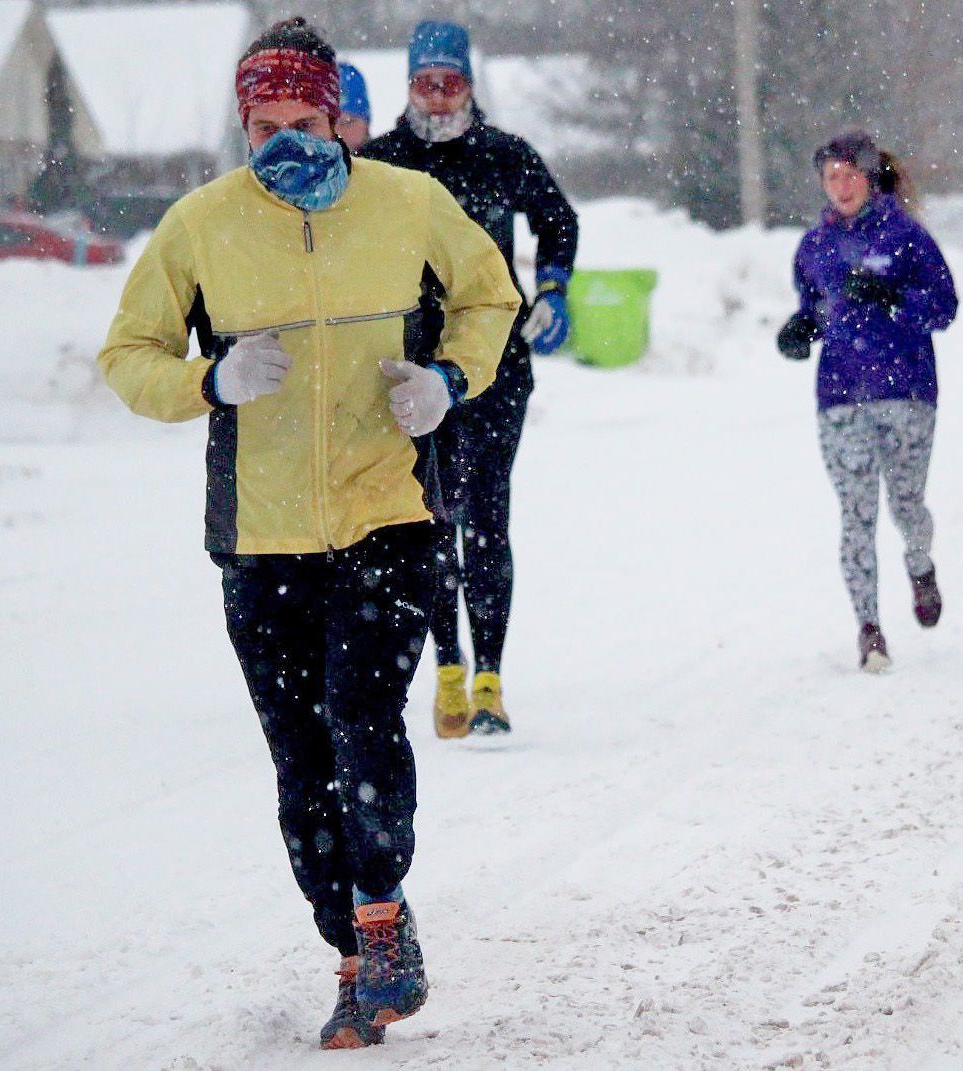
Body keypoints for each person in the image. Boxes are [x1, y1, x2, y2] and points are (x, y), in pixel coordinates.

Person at [95, 17, 520, 1049]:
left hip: (386, 514)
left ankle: (381, 916)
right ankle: (354, 950)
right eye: (265, 122)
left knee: (360, 722)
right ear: (245, 125)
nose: (286, 138)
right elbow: (127, 354)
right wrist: (210, 379)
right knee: (300, 760)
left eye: (304, 119)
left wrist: (448, 380)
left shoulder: (409, 203)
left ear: (340, 118)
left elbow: (489, 294)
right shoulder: (201, 225)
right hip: (261, 535)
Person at [362, 21, 578, 737]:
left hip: (494, 369)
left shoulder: (503, 155)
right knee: (429, 524)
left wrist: (552, 288)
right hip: (411, 369)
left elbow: (559, 219)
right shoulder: (384, 162)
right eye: (426, 81)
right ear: (409, 86)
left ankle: (490, 677)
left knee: (486, 520)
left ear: (470, 85)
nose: (438, 94)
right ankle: (446, 668)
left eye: (450, 81)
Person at [776, 131, 957, 672]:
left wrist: (895, 299)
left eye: (850, 173)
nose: (841, 185)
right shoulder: (814, 247)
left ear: (871, 175)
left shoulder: (906, 237)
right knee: (856, 514)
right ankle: (869, 629)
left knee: (905, 503)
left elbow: (945, 308)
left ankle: (920, 563)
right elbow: (813, 309)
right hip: (839, 396)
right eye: (831, 176)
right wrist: (799, 330)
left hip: (906, 391)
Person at [336, 61, 372, 151]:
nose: (338, 132)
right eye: (330, 124)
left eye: (347, 122)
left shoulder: (390, 160)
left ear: (366, 124)